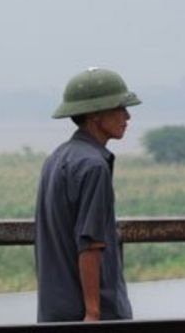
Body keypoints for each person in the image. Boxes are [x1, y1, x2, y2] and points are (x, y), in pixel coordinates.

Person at [35, 67, 141, 322]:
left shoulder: (57, 158)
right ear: (95, 114)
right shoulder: (93, 166)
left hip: (55, 312)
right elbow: (90, 243)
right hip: (89, 315)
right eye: (119, 108)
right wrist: (93, 314)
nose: (127, 116)